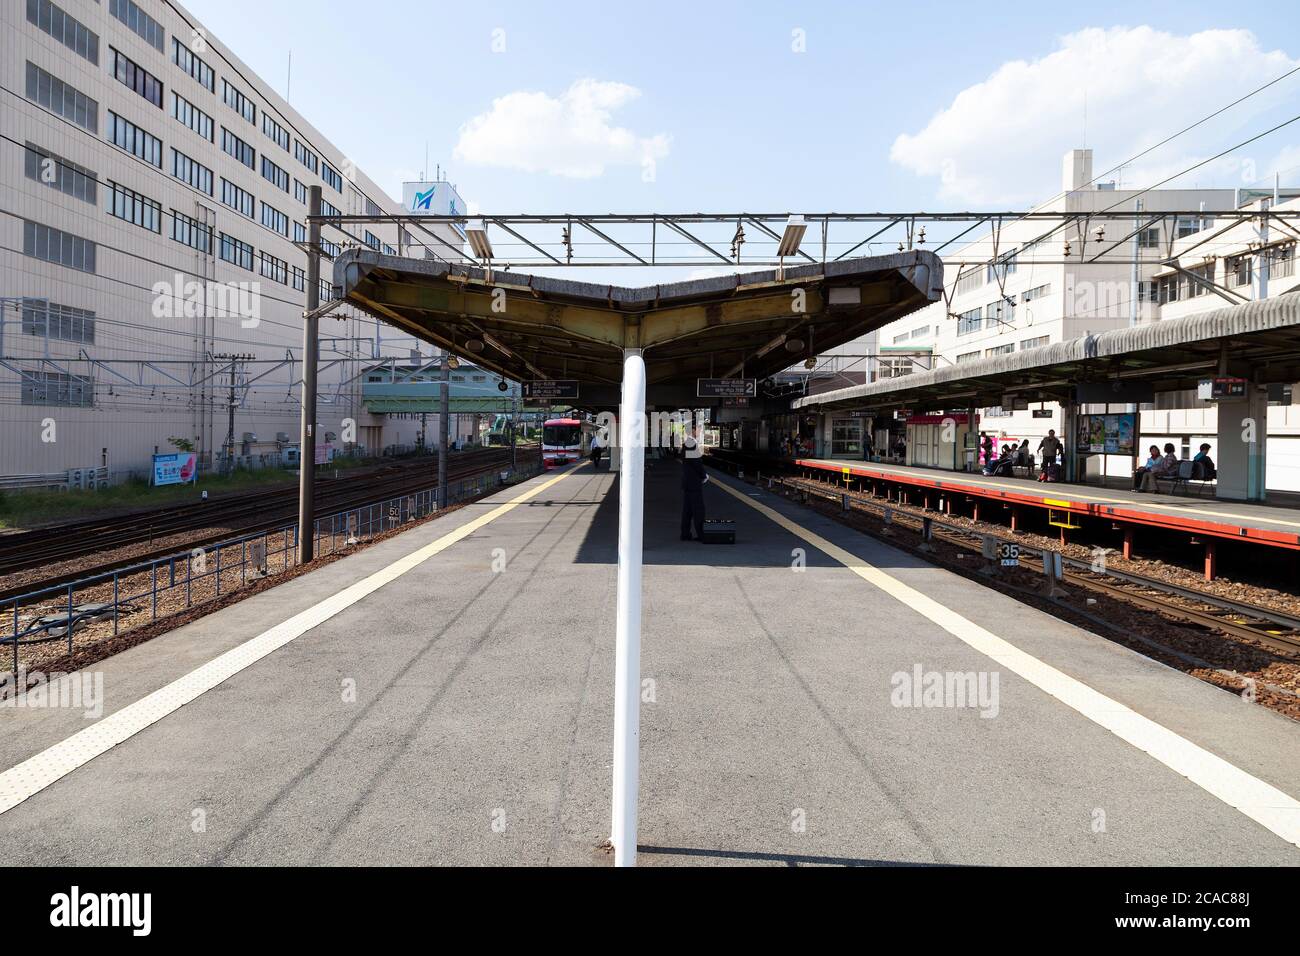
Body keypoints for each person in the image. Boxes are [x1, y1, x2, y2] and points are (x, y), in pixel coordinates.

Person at [680, 435, 709, 541]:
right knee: (698, 510)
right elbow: (697, 463)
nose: (700, 430)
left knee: (687, 510)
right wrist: (704, 475)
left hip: (687, 482)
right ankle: (701, 535)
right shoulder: (691, 444)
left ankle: (685, 534)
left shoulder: (686, 444)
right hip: (694, 483)